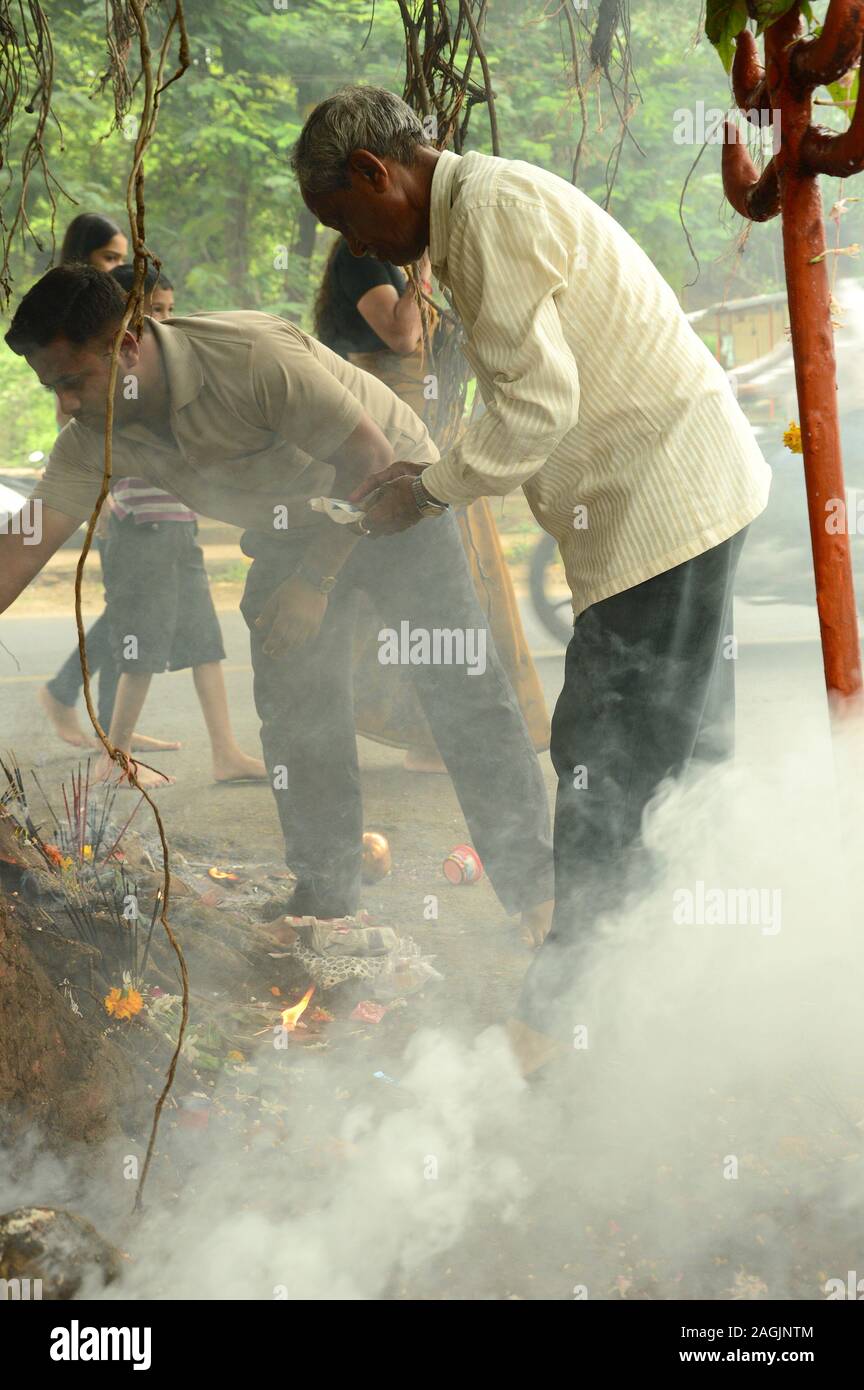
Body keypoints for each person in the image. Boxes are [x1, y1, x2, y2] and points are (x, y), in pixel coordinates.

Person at [290, 86, 773, 1069]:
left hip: (663, 507)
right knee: (678, 767)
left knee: (604, 768)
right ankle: (684, 997)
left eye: (348, 221)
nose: (360, 245)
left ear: (376, 174)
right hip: (683, 496)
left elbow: (534, 410)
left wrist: (424, 489)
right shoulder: (484, 208)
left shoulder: (490, 217)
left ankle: (557, 1030)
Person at [0, 264, 554, 943]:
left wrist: (314, 585)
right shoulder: (94, 435)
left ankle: (540, 896)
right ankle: (326, 900)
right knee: (296, 708)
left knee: (460, 691)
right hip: (292, 526)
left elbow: (368, 461)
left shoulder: (249, 358)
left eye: (72, 381)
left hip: (394, 493)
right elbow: (22, 547)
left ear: (128, 346)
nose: (64, 406)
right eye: (50, 388)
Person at [314, 236, 550, 772]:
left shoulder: (397, 267)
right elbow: (402, 335)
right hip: (394, 449)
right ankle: (429, 735)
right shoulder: (364, 256)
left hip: (433, 445)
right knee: (429, 592)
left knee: (455, 586)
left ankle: (436, 736)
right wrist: (419, 263)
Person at [93, 262, 266, 788]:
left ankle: (226, 753)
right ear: (126, 318)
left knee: (204, 643)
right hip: (142, 529)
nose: (165, 321)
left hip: (177, 525)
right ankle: (115, 757)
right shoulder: (119, 374)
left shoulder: (171, 366)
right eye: (154, 312)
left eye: (170, 310)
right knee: (140, 649)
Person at [38, 213, 174, 755]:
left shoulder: (138, 341)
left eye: (124, 260)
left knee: (136, 607)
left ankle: (111, 721)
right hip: (114, 485)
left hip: (149, 494)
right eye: (111, 259)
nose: (121, 271)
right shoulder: (69, 334)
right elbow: (68, 421)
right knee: (132, 603)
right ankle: (68, 694)